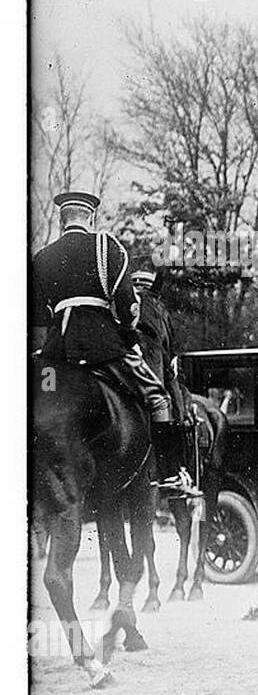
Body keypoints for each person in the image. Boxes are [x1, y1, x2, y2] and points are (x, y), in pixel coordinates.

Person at [30, 191, 197, 499]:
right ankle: (172, 474)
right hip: (104, 348)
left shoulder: (41, 258)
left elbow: (39, 324)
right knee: (158, 397)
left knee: (38, 400)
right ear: (90, 217)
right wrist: (128, 331)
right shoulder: (107, 248)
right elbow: (126, 308)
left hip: (55, 358)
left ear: (61, 219)